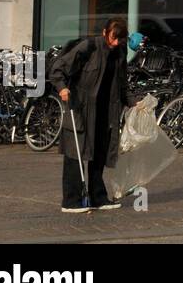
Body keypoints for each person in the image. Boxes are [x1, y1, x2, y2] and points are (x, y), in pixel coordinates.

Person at [49, 17, 137, 214]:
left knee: (99, 154)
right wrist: (62, 88)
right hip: (81, 107)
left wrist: (133, 102)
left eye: (119, 40)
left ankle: (98, 197)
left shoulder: (120, 52)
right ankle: (71, 200)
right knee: (76, 153)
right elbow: (57, 69)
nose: (115, 44)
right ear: (105, 32)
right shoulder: (88, 47)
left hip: (106, 110)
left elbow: (123, 84)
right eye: (112, 39)